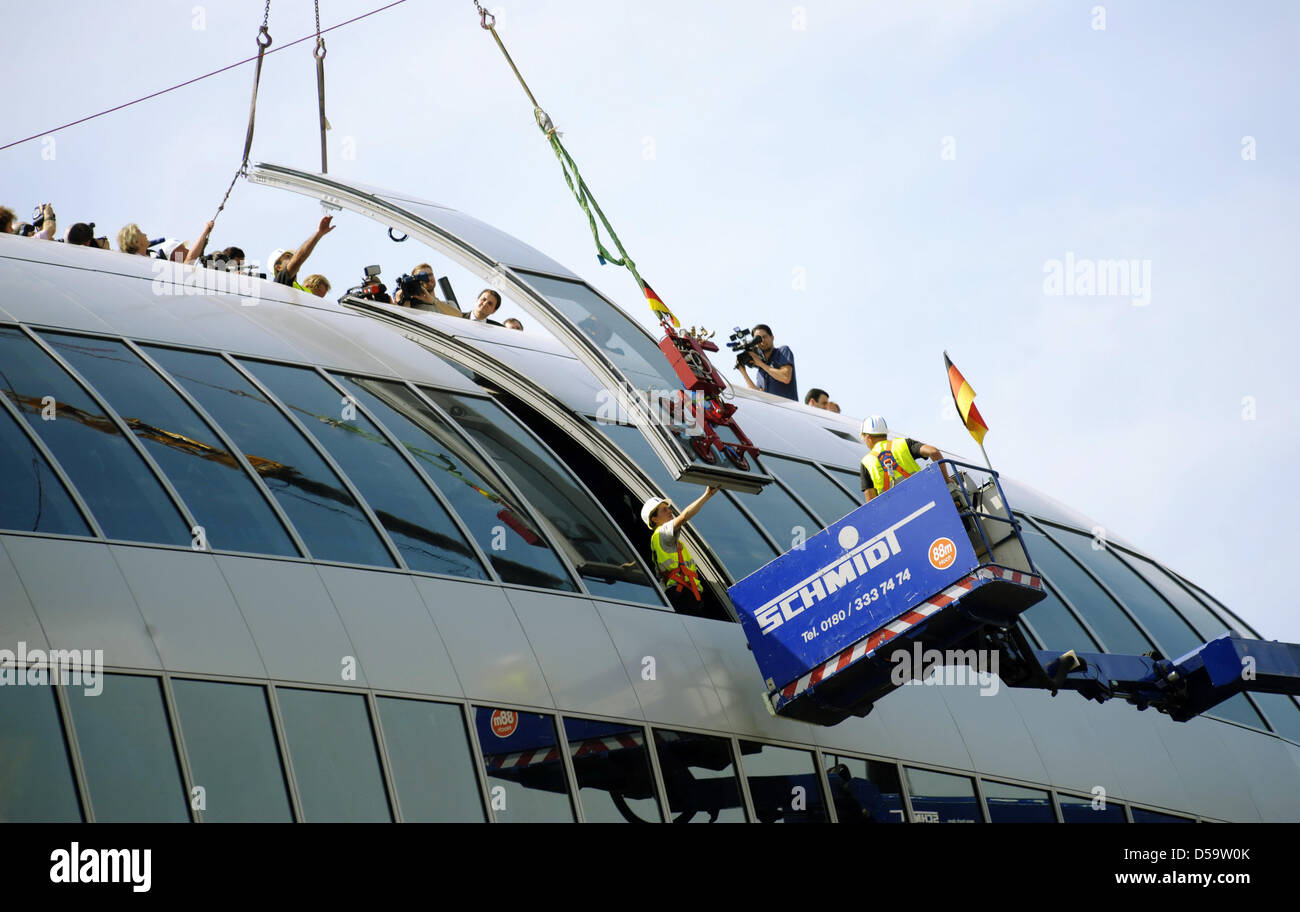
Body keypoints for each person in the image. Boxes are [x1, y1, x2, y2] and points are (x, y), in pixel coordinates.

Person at [642, 486, 719, 614]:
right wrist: (707, 496)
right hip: (682, 593)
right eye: (664, 510)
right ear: (654, 519)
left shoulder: (658, 540)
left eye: (668, 508)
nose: (670, 511)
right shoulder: (662, 533)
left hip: (682, 592)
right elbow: (683, 517)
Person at [859, 414, 949, 503]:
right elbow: (933, 452)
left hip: (897, 512)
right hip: (924, 497)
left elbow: (871, 503)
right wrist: (946, 482)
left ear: (868, 437)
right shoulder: (903, 443)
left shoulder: (866, 462)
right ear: (885, 433)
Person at [271, 215, 334, 289]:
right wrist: (319, 233)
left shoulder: (297, 291)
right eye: (288, 256)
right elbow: (298, 260)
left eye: (294, 255)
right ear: (279, 267)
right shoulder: (279, 283)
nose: (293, 257)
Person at [739, 323, 797, 401]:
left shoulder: (782, 351)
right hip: (770, 411)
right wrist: (743, 371)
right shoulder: (761, 369)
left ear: (772, 338)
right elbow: (758, 395)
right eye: (758, 339)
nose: (762, 341)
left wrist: (760, 364)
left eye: (764, 337)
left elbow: (786, 377)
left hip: (788, 410)